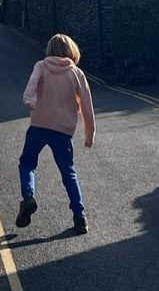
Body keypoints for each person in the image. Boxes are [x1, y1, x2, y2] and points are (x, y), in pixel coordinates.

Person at [15, 33, 96, 235]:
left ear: (50, 50)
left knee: (27, 163)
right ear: (72, 51)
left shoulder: (41, 66)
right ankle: (80, 217)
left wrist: (30, 102)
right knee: (68, 173)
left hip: (39, 125)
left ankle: (29, 197)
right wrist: (89, 134)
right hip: (63, 131)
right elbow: (87, 106)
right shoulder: (76, 73)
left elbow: (30, 89)